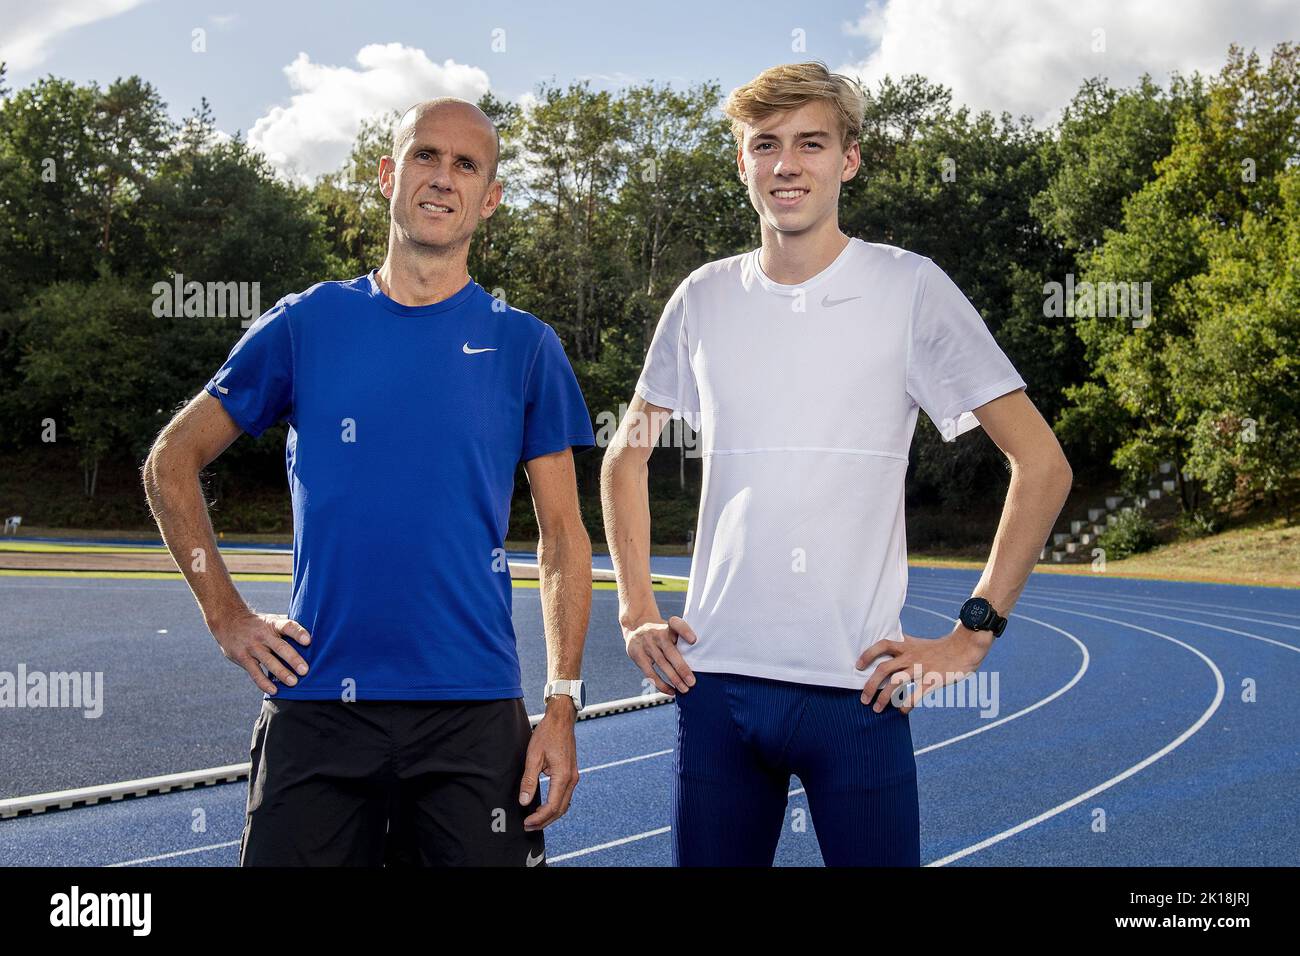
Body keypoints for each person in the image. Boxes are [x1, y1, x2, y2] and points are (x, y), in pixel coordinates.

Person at [600, 62, 1072, 867]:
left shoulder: (909, 288)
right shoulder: (702, 296)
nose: (787, 164)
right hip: (716, 687)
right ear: (742, 162)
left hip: (857, 692)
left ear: (849, 158)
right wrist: (636, 608)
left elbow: (1042, 463)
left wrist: (972, 635)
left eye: (810, 143)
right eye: (766, 145)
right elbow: (625, 456)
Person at [142, 97, 595, 866]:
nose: (443, 177)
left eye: (466, 164)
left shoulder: (525, 345)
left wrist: (561, 704)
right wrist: (226, 615)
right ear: (389, 174)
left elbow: (562, 539)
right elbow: (170, 461)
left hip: (472, 711)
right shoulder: (305, 323)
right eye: (425, 155)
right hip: (318, 704)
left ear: (490, 198)